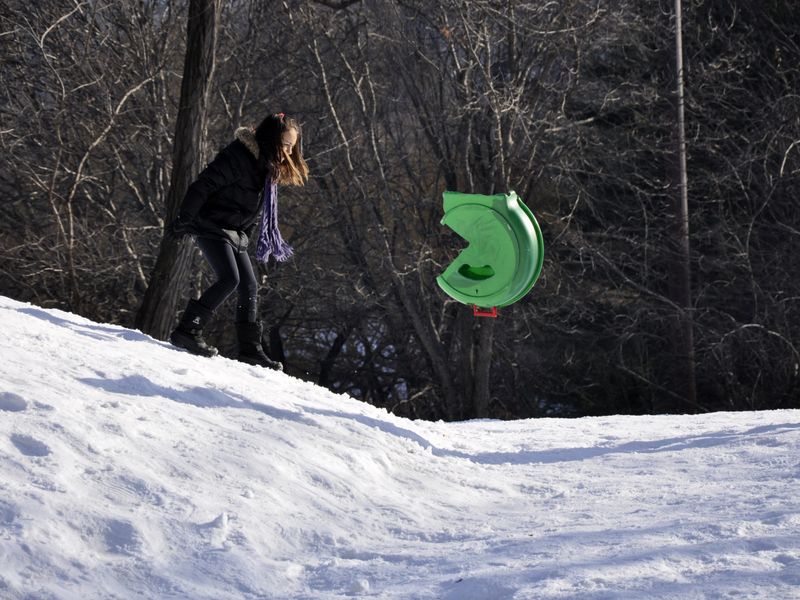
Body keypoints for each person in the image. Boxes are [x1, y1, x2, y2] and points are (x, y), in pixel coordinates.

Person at [166, 112, 309, 370]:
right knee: (230, 279)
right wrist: (185, 219)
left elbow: (253, 208)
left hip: (233, 231)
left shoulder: (266, 166)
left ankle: (250, 350)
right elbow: (203, 185)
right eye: (285, 144)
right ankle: (188, 330)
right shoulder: (238, 157)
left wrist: (245, 235)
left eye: (292, 146)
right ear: (270, 139)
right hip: (210, 223)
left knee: (249, 285)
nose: (288, 151)